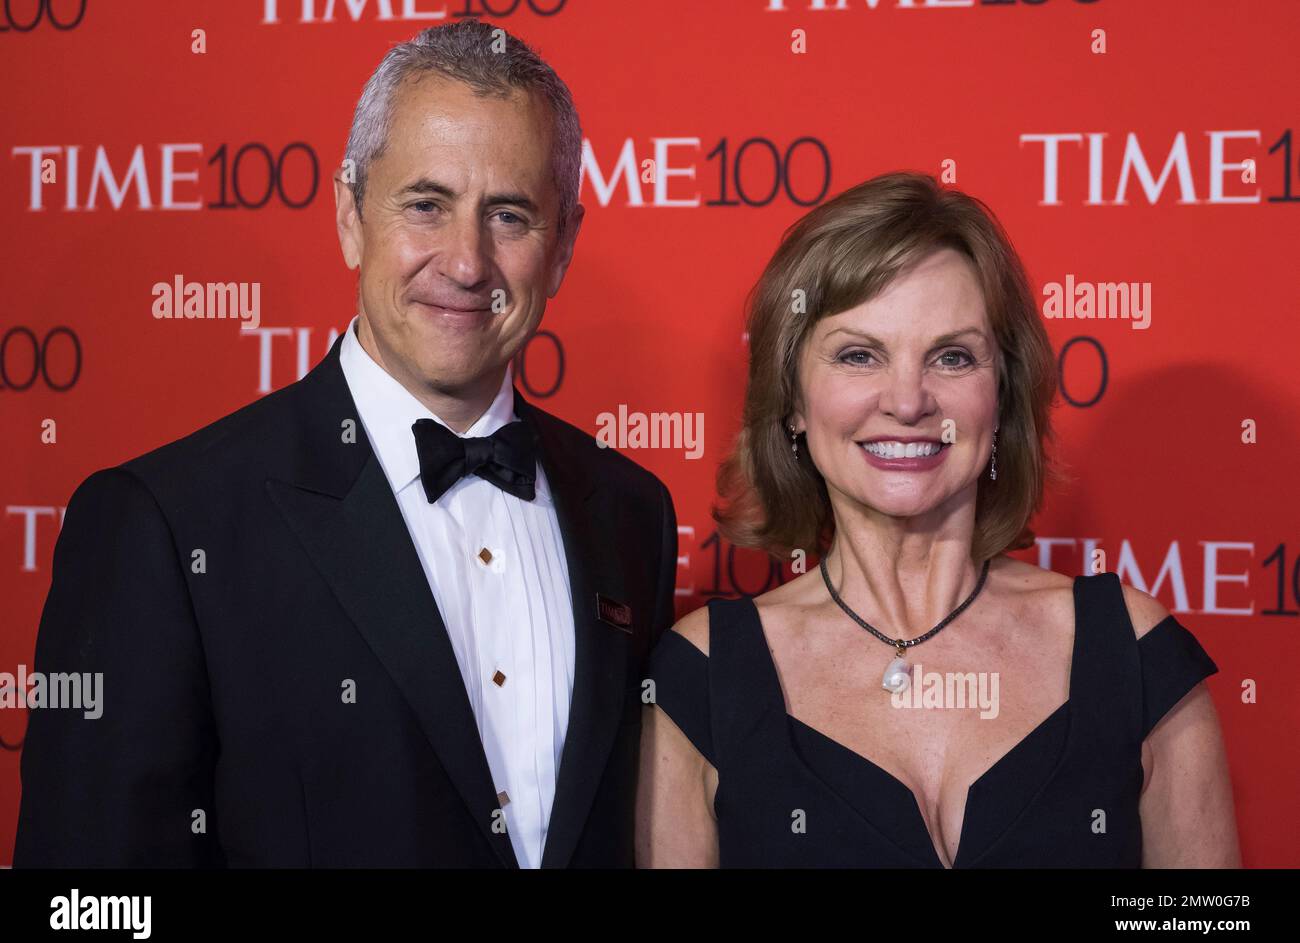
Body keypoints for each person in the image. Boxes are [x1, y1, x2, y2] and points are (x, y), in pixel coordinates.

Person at [15, 20, 677, 869]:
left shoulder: (630, 512)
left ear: (564, 247)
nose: (467, 262)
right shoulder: (167, 525)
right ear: (351, 216)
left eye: (509, 214)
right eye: (426, 205)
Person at [635, 171, 1238, 868]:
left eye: (952, 356)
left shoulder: (1135, 653)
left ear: (1002, 396)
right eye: (859, 354)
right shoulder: (699, 680)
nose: (909, 399)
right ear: (793, 401)